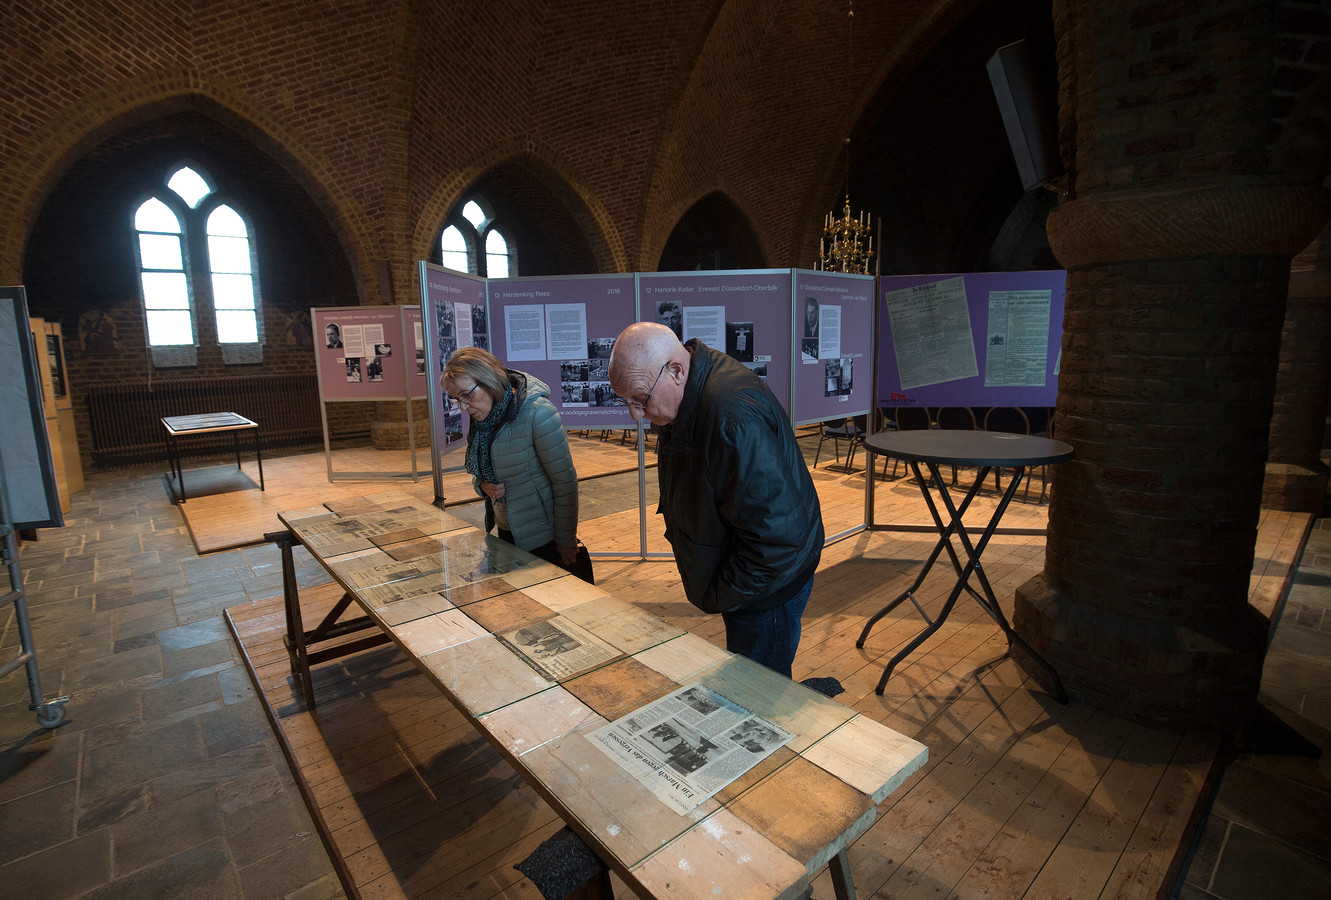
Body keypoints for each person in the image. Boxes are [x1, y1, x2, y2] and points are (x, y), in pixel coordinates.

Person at [608, 322, 823, 678]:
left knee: (761, 695)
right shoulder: (687, 390)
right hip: (748, 579)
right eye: (625, 401)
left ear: (676, 371)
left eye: (640, 399)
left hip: (766, 591)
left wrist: (721, 593)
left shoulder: (731, 418)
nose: (634, 415)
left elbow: (778, 541)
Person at [441, 346, 581, 569]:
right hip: (504, 529)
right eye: (456, 399)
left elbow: (564, 481)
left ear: (490, 381)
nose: (464, 407)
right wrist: (482, 485)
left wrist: (566, 539)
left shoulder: (537, 411)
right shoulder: (483, 417)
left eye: (466, 395)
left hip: (543, 536)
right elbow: (485, 468)